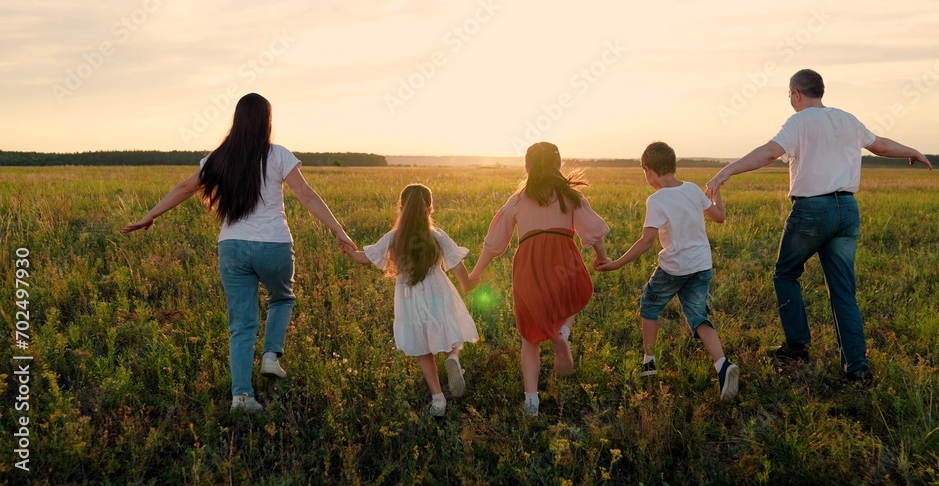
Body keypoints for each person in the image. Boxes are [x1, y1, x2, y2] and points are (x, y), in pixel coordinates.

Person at [122, 93, 357, 412]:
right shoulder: (278, 155)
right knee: (282, 298)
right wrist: (339, 230)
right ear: (267, 121)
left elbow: (184, 187)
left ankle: (242, 397)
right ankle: (271, 356)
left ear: (237, 120)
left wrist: (150, 215)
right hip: (274, 245)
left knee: (242, 325)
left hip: (232, 247)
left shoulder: (219, 158)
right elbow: (307, 195)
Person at [706, 69, 932, 384]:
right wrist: (912, 151)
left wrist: (724, 173)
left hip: (812, 210)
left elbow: (770, 152)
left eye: (789, 95)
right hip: (847, 210)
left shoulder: (799, 121)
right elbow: (879, 144)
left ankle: (797, 345)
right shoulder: (847, 119)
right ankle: (857, 368)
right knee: (843, 291)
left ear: (796, 94)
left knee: (785, 274)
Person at [469, 142, 610, 416]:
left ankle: (531, 401)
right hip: (563, 259)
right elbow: (593, 232)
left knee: (529, 339)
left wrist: (476, 271)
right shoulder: (570, 196)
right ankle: (561, 333)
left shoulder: (518, 199)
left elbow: (495, 243)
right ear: (559, 166)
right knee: (572, 297)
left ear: (527, 168)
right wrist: (601, 257)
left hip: (529, 266)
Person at [596, 142, 738, 400]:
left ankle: (649, 361)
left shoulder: (657, 199)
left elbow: (646, 241)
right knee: (698, 315)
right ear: (673, 166)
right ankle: (722, 365)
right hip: (702, 265)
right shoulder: (693, 190)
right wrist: (716, 193)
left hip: (674, 268)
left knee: (650, 303)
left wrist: (616, 263)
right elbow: (719, 217)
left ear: (649, 170)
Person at [341, 184, 479, 417]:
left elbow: (365, 258)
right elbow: (457, 265)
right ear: (430, 208)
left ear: (401, 208)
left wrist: (350, 250)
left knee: (423, 347)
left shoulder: (395, 237)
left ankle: (437, 399)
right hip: (438, 291)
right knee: (449, 329)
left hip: (410, 297)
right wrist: (469, 283)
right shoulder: (437, 235)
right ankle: (454, 358)